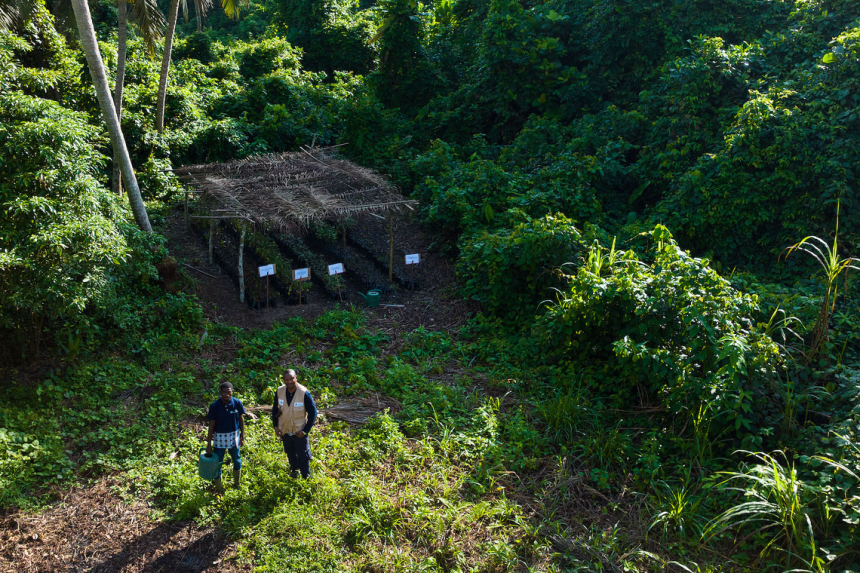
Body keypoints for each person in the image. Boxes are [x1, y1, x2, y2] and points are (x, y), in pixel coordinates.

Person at [271, 369, 317, 478]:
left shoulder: (304, 393)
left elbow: (313, 413)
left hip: (299, 432)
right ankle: (294, 472)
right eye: (286, 380)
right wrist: (275, 426)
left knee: (303, 455)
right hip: (285, 430)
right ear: (283, 380)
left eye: (291, 379)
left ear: (296, 378)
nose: (289, 382)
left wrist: (305, 431)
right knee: (290, 453)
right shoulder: (279, 391)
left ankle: (306, 477)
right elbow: (274, 410)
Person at [206, 382, 245, 492]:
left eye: (229, 392)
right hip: (219, 438)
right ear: (220, 392)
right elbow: (211, 426)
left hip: (234, 437)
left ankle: (237, 484)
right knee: (217, 463)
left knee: (237, 461)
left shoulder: (237, 403)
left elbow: (241, 420)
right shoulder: (215, 406)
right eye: (224, 392)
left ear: (232, 392)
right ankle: (219, 489)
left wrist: (242, 436)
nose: (227, 395)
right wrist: (209, 444)